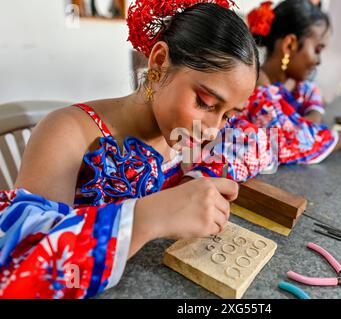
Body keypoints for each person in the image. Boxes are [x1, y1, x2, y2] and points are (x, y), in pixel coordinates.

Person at [0, 0, 259, 299]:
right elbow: (25, 264)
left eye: (227, 114)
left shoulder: (181, 136)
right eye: (205, 103)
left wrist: (193, 183)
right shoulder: (66, 134)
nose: (213, 129)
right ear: (159, 62)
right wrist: (145, 218)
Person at [245, 0, 341, 150]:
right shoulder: (256, 88)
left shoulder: (298, 87)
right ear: (290, 44)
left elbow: (313, 99)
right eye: (317, 50)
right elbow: (283, 143)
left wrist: (314, 115)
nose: (319, 61)